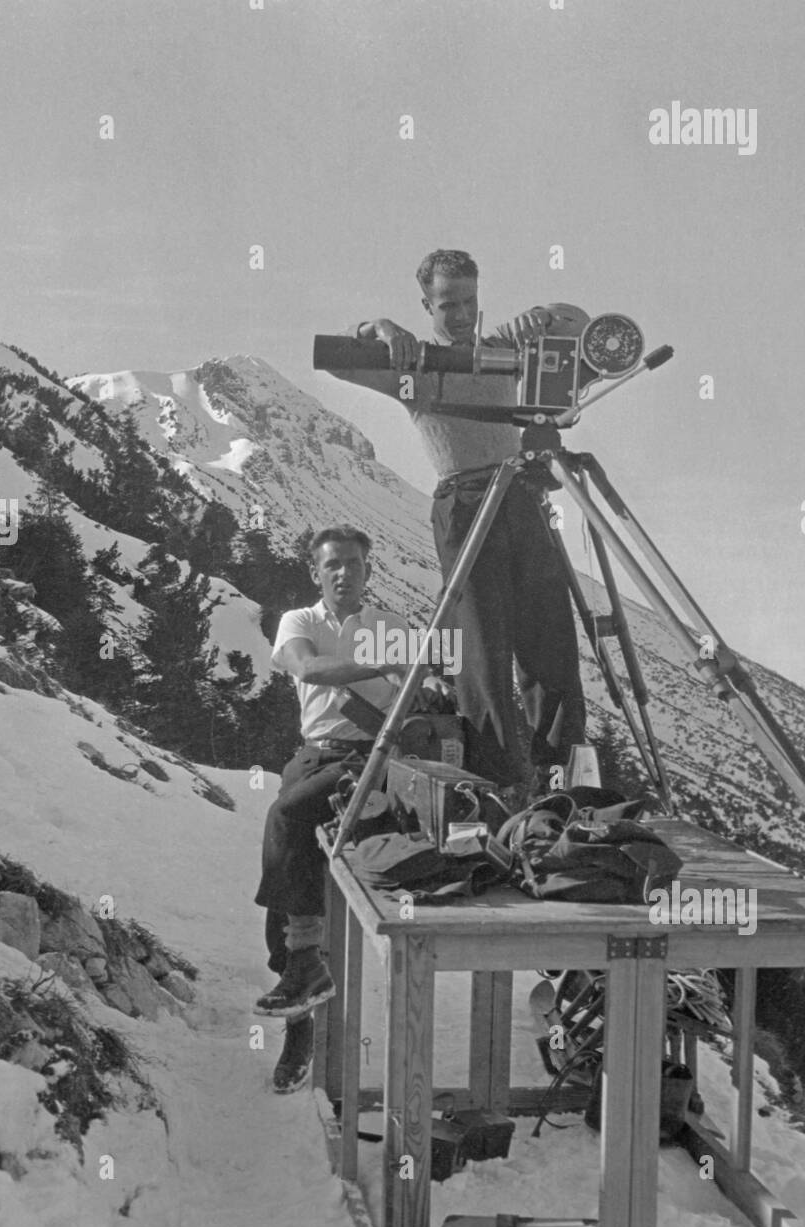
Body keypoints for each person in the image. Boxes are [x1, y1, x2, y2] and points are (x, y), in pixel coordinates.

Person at [334, 248, 587, 793]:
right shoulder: (415, 366)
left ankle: (561, 783)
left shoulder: (503, 349)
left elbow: (587, 331)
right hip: (464, 503)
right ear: (426, 304)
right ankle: (498, 787)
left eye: (470, 301)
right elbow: (337, 358)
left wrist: (543, 314)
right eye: (448, 304)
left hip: (521, 493)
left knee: (550, 640)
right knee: (480, 649)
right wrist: (373, 326)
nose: (461, 315)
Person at [254, 524, 446, 1093]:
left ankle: (305, 971)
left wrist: (421, 682)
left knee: (289, 821)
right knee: (284, 873)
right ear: (316, 571)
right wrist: (389, 668)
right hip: (316, 754)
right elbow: (308, 669)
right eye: (332, 563)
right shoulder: (301, 622)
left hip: (376, 756)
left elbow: (421, 692)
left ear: (369, 569)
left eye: (354, 563)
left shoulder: (391, 626)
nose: (344, 572)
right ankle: (300, 1004)